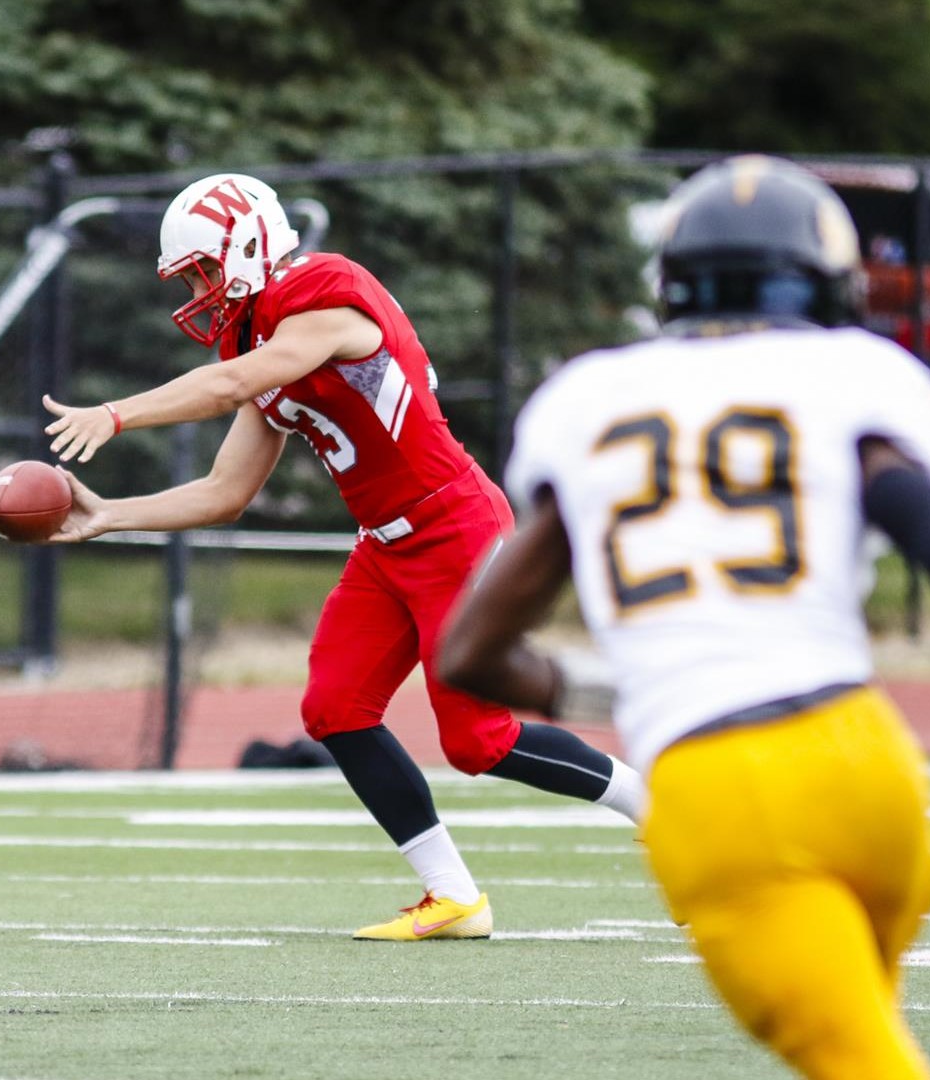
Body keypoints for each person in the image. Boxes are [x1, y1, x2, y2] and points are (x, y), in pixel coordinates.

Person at [436, 156, 930, 1080]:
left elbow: (468, 653)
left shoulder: (588, 401)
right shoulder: (857, 376)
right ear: (832, 282)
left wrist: (625, 677)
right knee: (873, 1031)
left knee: (863, 1062)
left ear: (670, 284)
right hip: (873, 767)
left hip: (724, 788)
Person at [40, 173, 646, 941]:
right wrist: (110, 517)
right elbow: (228, 489)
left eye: (201, 269)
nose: (198, 291)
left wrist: (117, 414)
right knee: (335, 707)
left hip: (451, 523)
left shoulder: (323, 291)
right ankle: (454, 896)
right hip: (384, 545)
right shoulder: (252, 333)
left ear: (249, 246)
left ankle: (655, 806)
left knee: (476, 740)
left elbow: (233, 386)